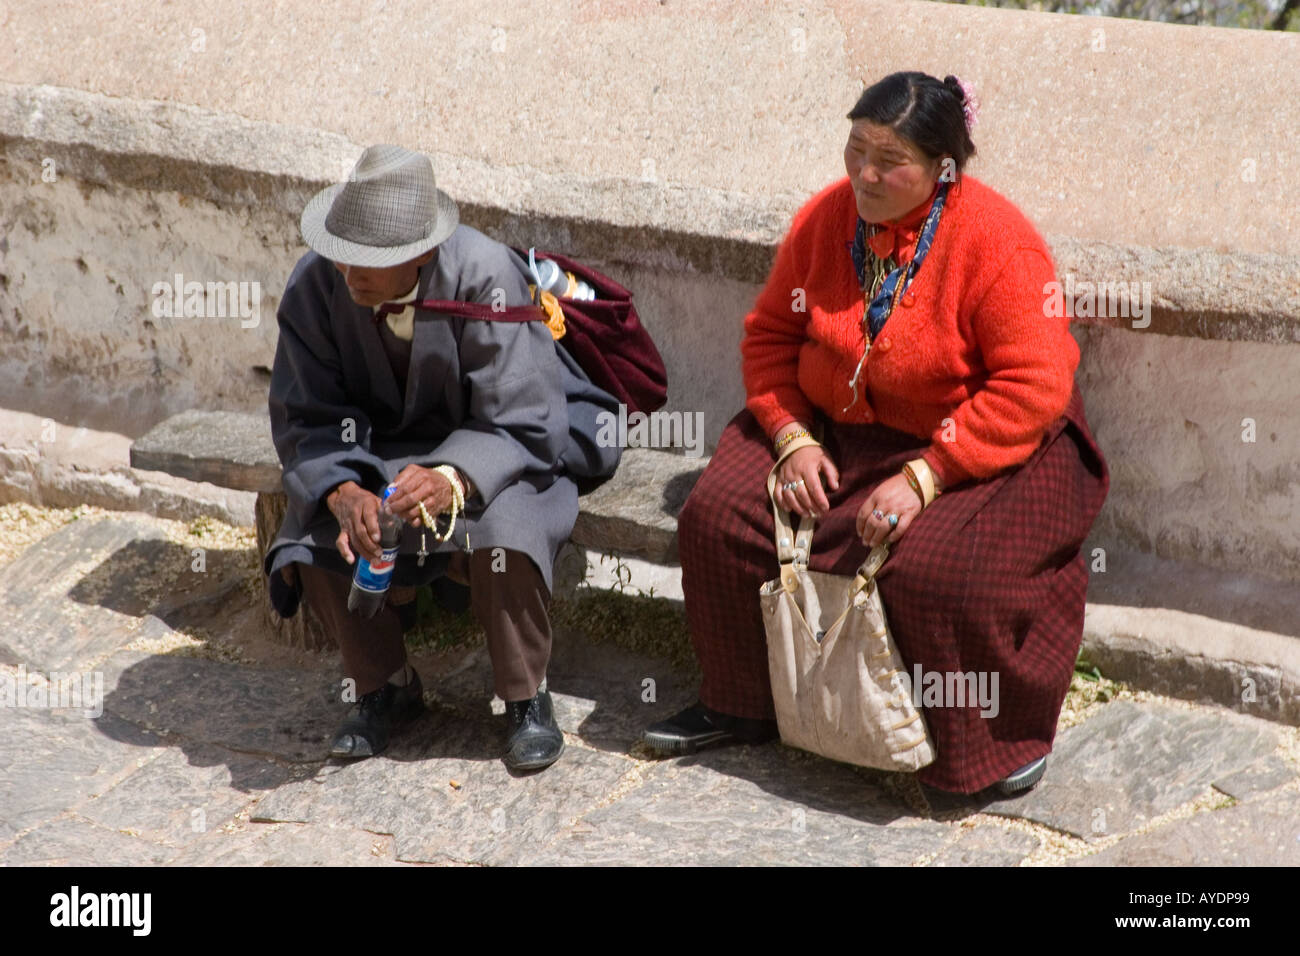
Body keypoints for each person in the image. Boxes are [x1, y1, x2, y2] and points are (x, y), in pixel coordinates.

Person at [642, 72, 1109, 797]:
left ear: (942, 168)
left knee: (935, 573)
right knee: (717, 518)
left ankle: (979, 747)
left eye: (889, 161)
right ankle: (742, 704)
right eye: (856, 149)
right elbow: (770, 336)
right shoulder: (826, 221)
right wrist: (793, 437)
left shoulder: (997, 244)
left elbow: (1034, 387)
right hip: (835, 427)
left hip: (980, 439)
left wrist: (928, 474)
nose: (864, 173)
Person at [263, 144, 620, 771]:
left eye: (373, 264)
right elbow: (303, 414)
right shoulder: (317, 282)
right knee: (316, 529)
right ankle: (385, 687)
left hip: (496, 450)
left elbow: (524, 414)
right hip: (372, 454)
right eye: (346, 256)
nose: (351, 278)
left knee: (507, 531)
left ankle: (524, 697)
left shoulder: (487, 275)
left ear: (423, 253)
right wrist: (344, 491)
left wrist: (453, 476)